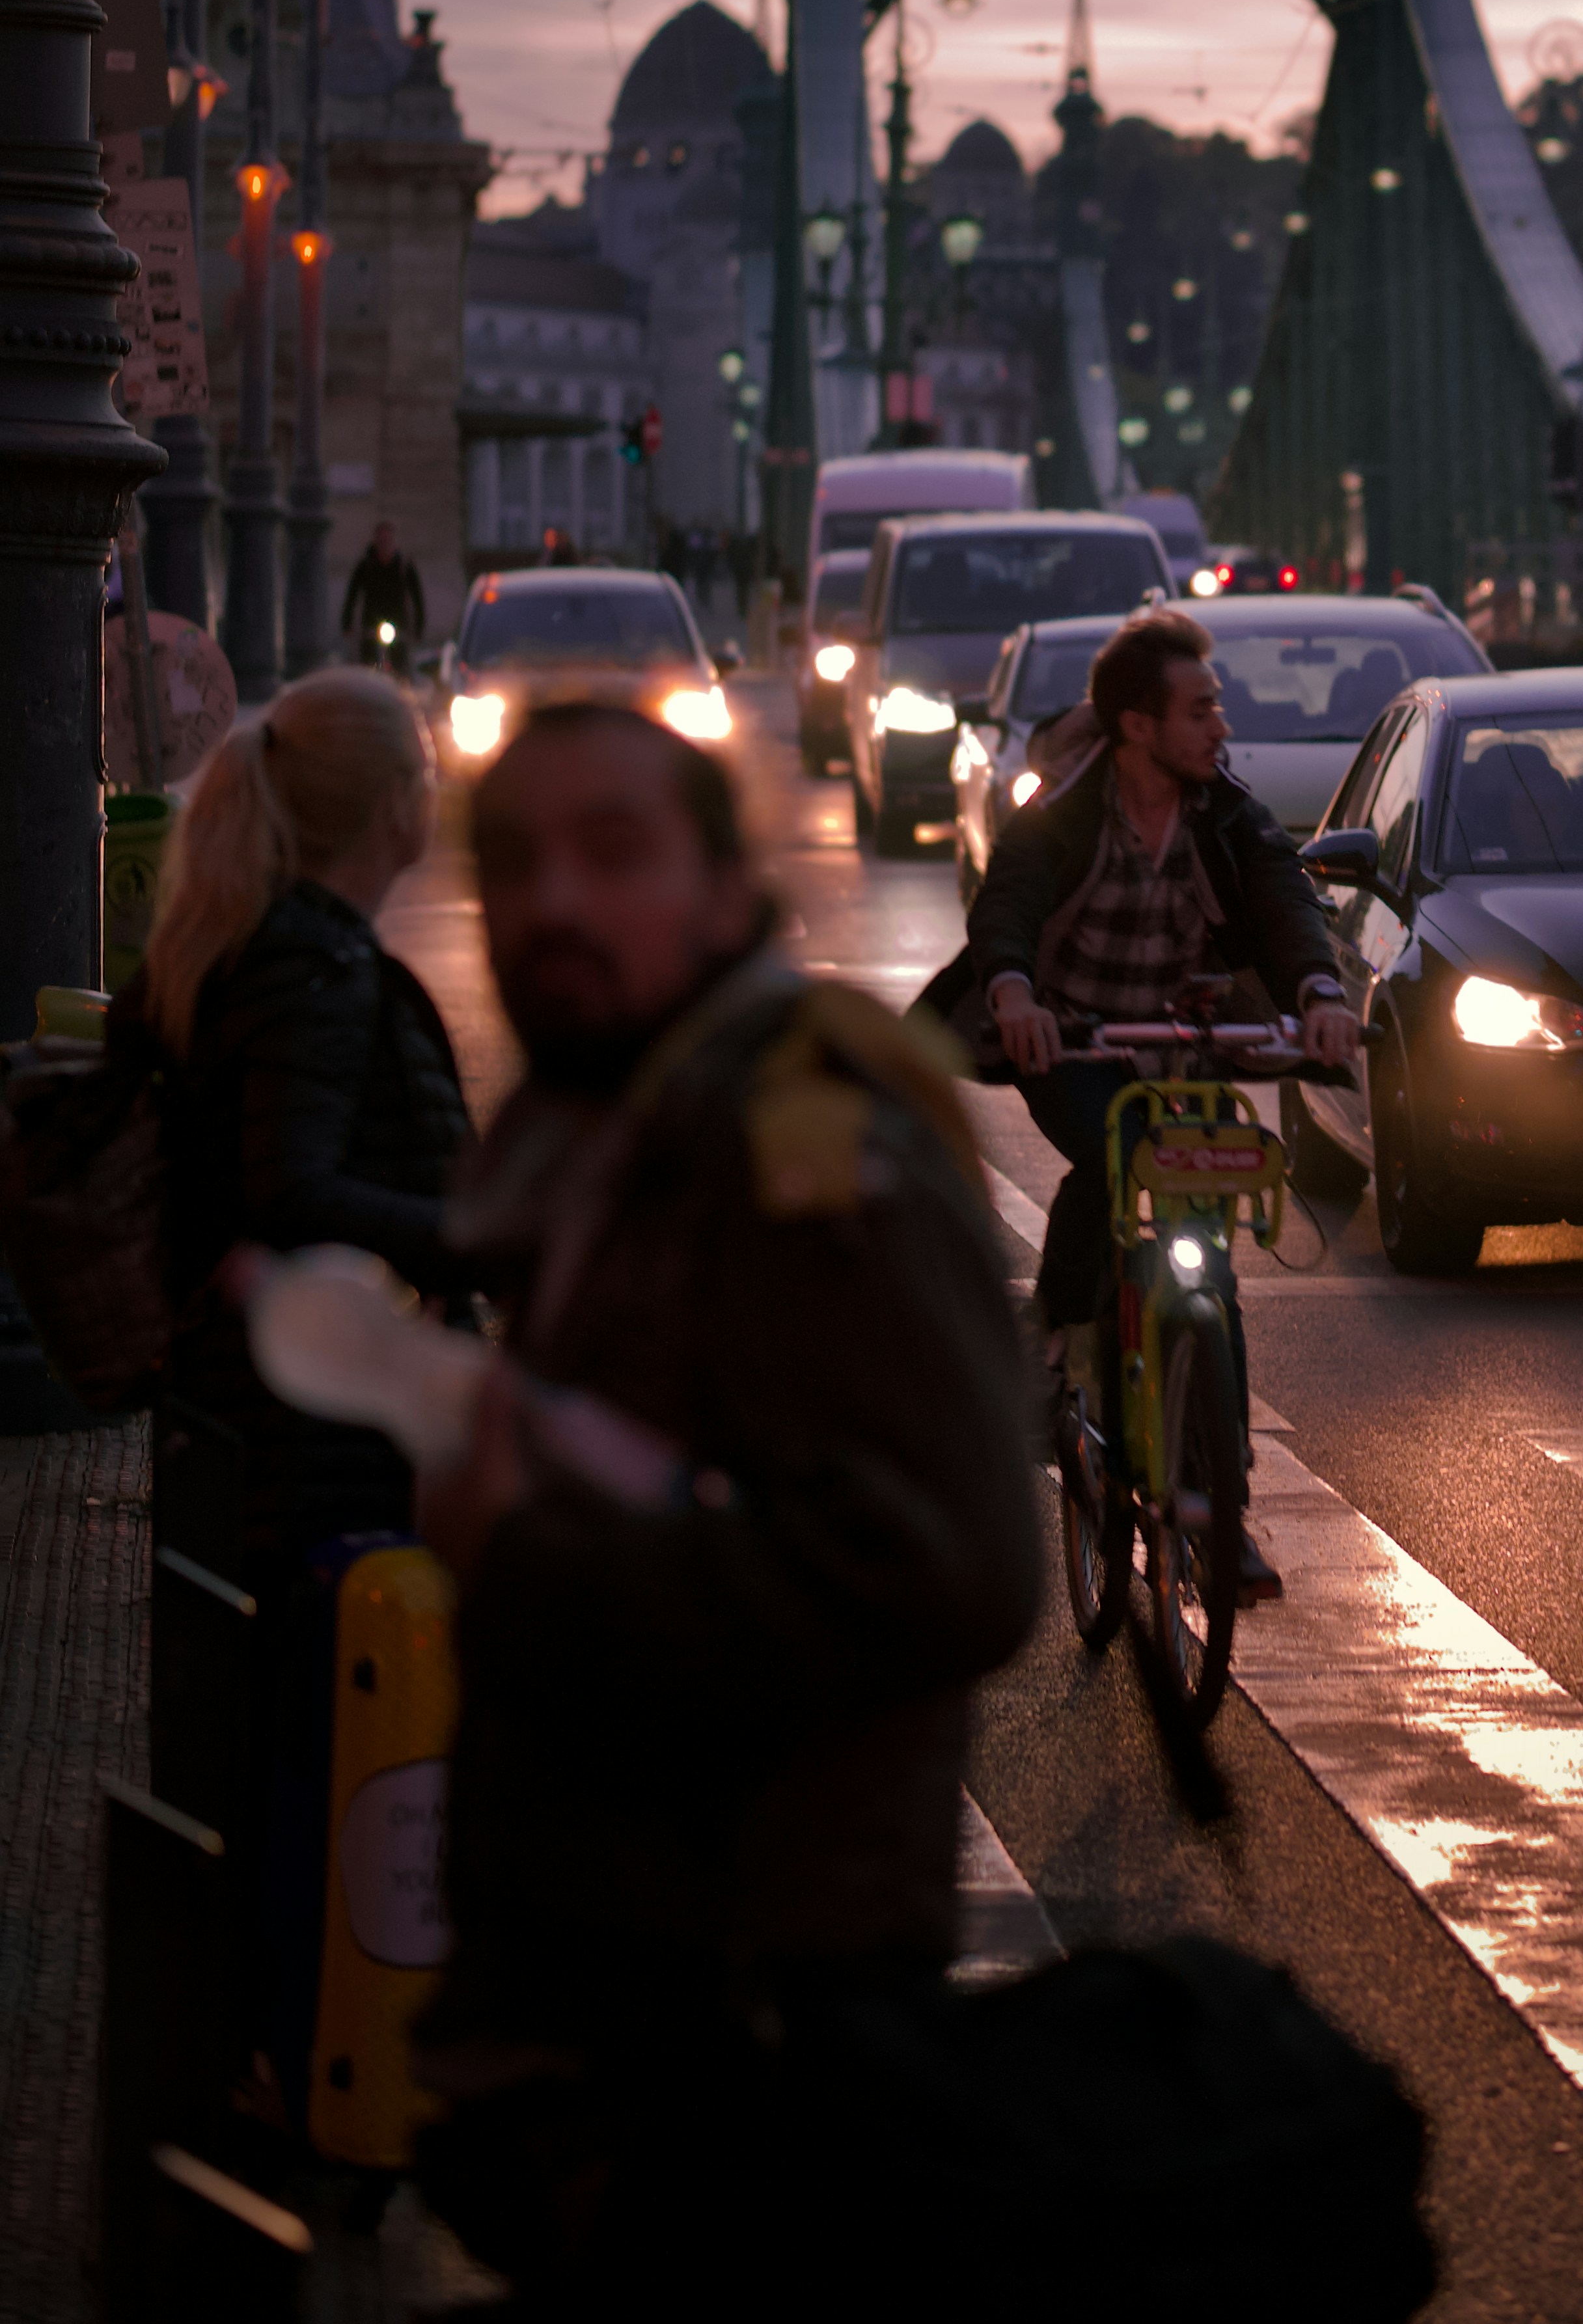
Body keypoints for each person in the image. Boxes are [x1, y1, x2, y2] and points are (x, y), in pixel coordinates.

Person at [413, 702, 1039, 2301]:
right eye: (512, 865)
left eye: (613, 853)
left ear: (720, 882)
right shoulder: (637, 1112)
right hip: (626, 2036)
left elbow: (949, 1564)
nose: (552, 902)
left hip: (746, 2056)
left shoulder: (802, 1134)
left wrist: (527, 1558)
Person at [954, 607, 1357, 1602]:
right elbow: (1008, 897)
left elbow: (1281, 895)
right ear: (1139, 727)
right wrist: (1012, 992)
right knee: (1113, 1155)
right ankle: (1060, 1346)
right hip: (1077, 1041)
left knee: (1207, 1251)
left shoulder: (1223, 809)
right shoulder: (1069, 813)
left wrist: (1319, 995)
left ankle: (1225, 1505)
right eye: (1200, 710)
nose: (1220, 728)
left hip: (1185, 1039)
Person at [138, 667, 475, 1603]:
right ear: (398, 805)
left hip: (264, 1420)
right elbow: (289, 1184)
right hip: (315, 1434)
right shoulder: (314, 971)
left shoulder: (259, 946)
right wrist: (469, 1238)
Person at [338, 515, 426, 674]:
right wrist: (347, 625)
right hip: (371, 627)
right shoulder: (366, 566)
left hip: (399, 626)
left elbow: (417, 598)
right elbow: (352, 596)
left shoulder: (404, 567)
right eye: (381, 542)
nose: (384, 546)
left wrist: (418, 629)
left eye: (388, 542)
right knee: (368, 667)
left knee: (401, 669)